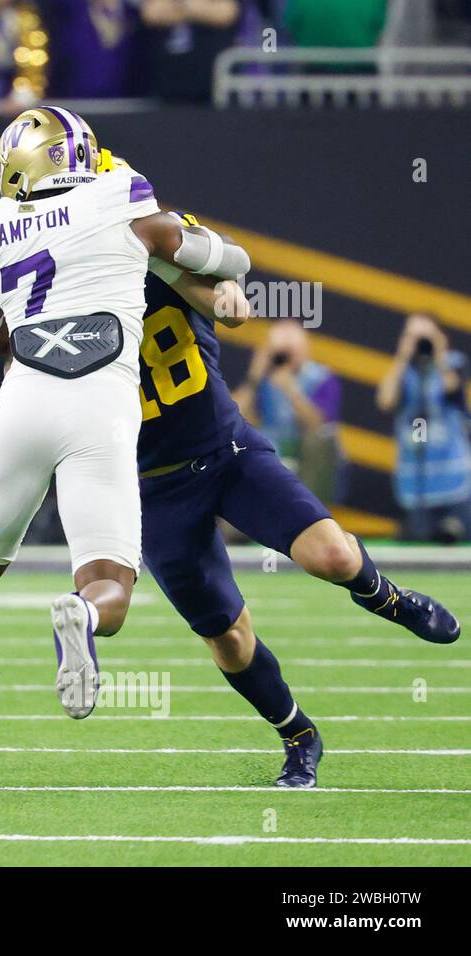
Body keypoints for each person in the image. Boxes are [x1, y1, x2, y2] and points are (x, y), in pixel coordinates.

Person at [0, 107, 252, 788]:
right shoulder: (121, 196)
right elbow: (224, 258)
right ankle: (81, 616)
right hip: (100, 405)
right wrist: (217, 259)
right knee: (109, 584)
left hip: (22, 405)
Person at [124, 198, 461, 788]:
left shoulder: (149, 239)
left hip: (224, 450)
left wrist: (226, 295)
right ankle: (298, 734)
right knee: (227, 638)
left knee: (331, 555)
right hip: (152, 486)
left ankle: (387, 598)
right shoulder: (58, 285)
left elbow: (224, 294)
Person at [377, 313, 471, 543]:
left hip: (453, 479)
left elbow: (454, 391)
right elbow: (385, 400)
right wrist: (402, 358)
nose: (419, 342)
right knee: (417, 541)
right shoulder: (404, 372)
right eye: (412, 336)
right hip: (415, 483)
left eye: (424, 336)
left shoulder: (453, 364)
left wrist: (438, 354)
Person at [233, 317, 343, 508]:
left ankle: (310, 512)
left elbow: (318, 425)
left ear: (304, 349)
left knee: (321, 439)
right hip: (271, 453)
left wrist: (290, 388)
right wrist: (254, 377)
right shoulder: (263, 380)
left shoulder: (322, 378)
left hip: (307, 460)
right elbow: (233, 416)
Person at [132, 0, 243, 103]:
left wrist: (179, 6)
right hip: (165, 82)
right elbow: (152, 14)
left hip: (209, 83)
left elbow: (226, 13)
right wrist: (198, 9)